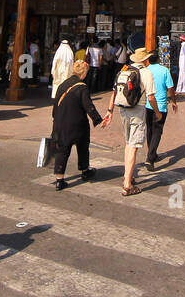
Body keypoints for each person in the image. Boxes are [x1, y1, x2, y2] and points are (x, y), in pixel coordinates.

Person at [51, 60, 103, 190]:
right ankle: (85, 170)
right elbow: (88, 107)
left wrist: (55, 118)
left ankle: (59, 180)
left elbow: (55, 103)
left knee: (62, 150)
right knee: (83, 146)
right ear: (84, 73)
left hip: (60, 122)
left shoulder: (63, 84)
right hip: (77, 123)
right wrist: (98, 120)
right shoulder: (82, 87)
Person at [105, 50, 152, 195]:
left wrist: (109, 110)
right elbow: (151, 97)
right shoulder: (146, 73)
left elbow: (114, 92)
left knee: (128, 143)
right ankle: (127, 185)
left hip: (123, 109)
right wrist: (156, 112)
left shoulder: (125, 70)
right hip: (137, 110)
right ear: (145, 60)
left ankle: (128, 176)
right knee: (134, 145)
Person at [141, 47, 176, 171]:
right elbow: (170, 88)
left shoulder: (145, 70)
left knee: (150, 130)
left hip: (148, 104)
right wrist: (173, 101)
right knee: (157, 131)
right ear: (159, 59)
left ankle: (152, 152)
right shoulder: (164, 70)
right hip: (160, 105)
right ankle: (150, 158)